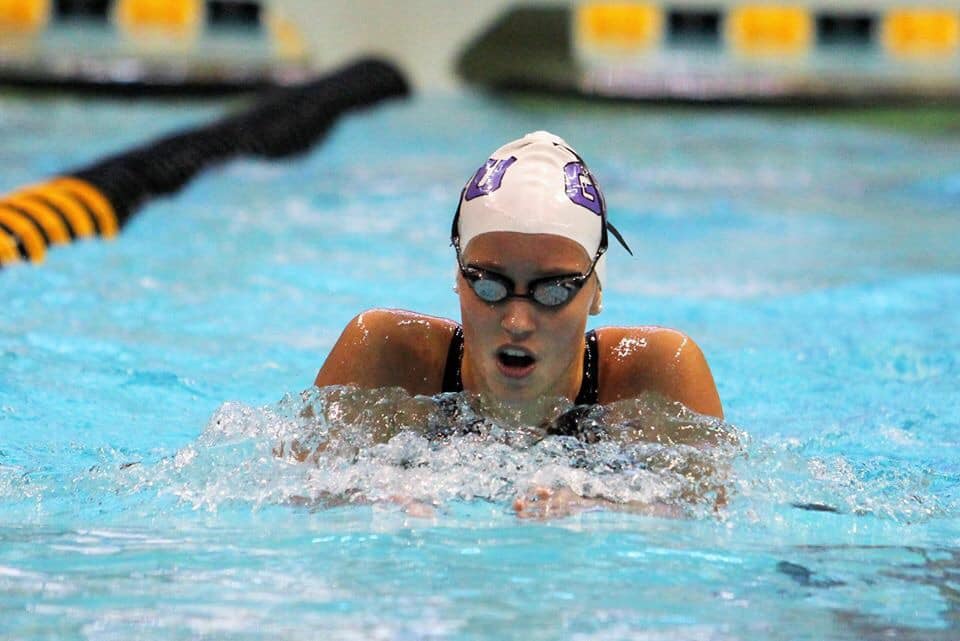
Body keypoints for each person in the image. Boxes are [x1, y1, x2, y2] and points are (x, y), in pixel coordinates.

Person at [313, 131, 725, 516]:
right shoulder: (386, 358)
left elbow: (711, 518)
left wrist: (600, 509)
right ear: (458, 277)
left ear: (597, 289)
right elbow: (296, 494)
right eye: (489, 285)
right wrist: (369, 503)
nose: (516, 321)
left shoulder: (657, 374)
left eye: (554, 290)